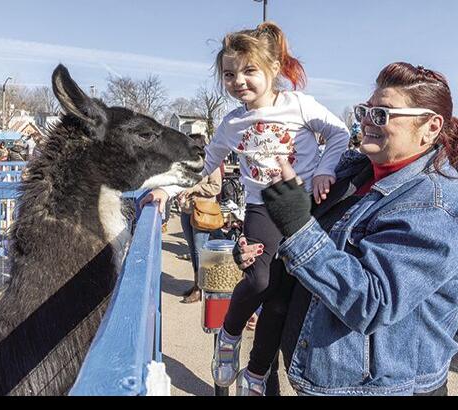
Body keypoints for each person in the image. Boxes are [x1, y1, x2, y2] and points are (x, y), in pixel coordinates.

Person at [235, 62, 458, 396]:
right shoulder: (353, 172)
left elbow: (373, 302)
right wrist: (263, 249)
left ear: (430, 127)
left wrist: (297, 228)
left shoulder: (437, 207)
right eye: (366, 110)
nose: (367, 120)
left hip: (381, 389)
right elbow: (304, 250)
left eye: (383, 114)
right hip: (319, 375)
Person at [143, 21, 350, 396]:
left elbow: (339, 134)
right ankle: (229, 331)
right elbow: (204, 165)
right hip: (262, 208)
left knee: (280, 302)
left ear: (273, 69)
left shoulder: (299, 104)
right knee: (259, 281)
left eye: (249, 70)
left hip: (301, 209)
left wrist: (323, 170)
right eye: (229, 74)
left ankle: (256, 374)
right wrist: (166, 191)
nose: (239, 80)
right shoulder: (231, 124)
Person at [176, 134, 224, 304]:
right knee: (193, 250)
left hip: (202, 210)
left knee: (200, 251)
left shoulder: (211, 162)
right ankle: (196, 283)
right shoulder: (187, 163)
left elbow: (216, 187)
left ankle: (201, 288)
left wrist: (194, 188)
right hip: (187, 209)